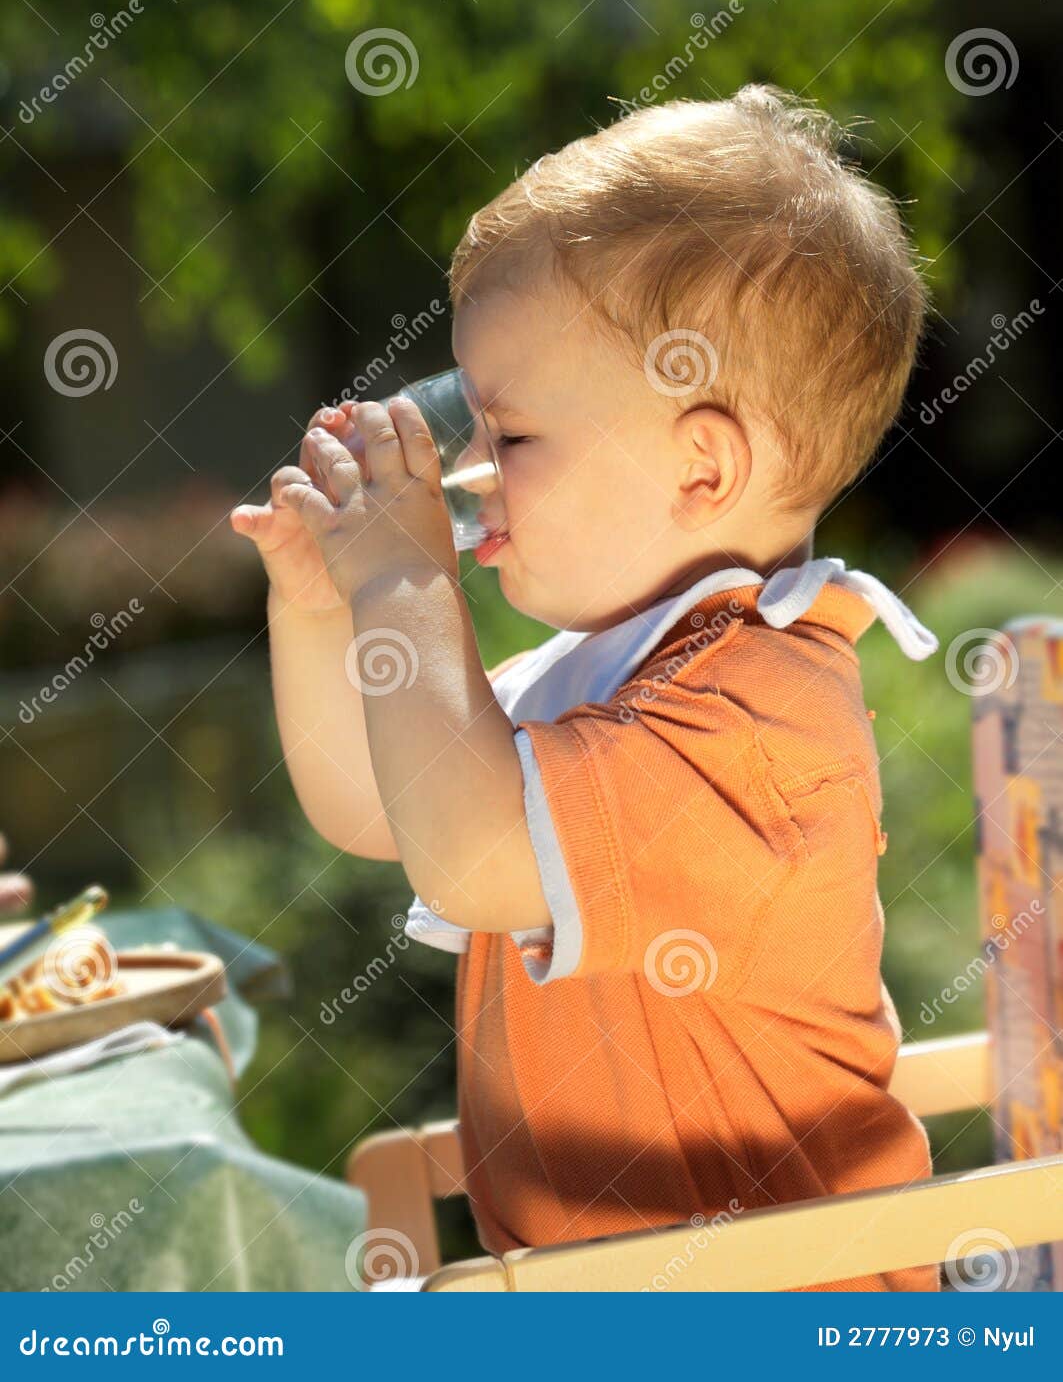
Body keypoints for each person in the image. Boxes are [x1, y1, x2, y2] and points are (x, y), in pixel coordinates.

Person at [232, 86, 942, 1292]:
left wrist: (406, 576)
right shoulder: (607, 671)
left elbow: (465, 853)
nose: (467, 473)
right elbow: (377, 808)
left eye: (508, 438)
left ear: (699, 466)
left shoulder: (754, 722)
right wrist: (321, 608)